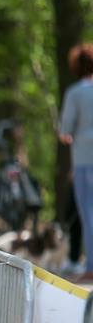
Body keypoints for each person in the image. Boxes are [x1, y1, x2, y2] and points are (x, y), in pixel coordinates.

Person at [58, 43, 93, 282]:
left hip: (84, 160)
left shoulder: (75, 93)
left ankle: (91, 265)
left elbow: (65, 130)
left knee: (88, 213)